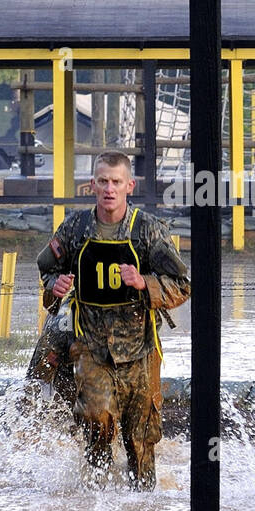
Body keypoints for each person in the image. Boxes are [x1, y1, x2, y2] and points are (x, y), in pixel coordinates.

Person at [34, 150, 190, 490]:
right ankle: (96, 497)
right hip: (90, 346)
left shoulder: (147, 231)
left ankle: (142, 510)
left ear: (129, 186)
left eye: (116, 182)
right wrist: (55, 286)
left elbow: (183, 284)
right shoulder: (75, 228)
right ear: (92, 185)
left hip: (139, 350)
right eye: (103, 181)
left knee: (140, 439)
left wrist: (143, 282)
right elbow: (46, 267)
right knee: (96, 417)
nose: (109, 188)